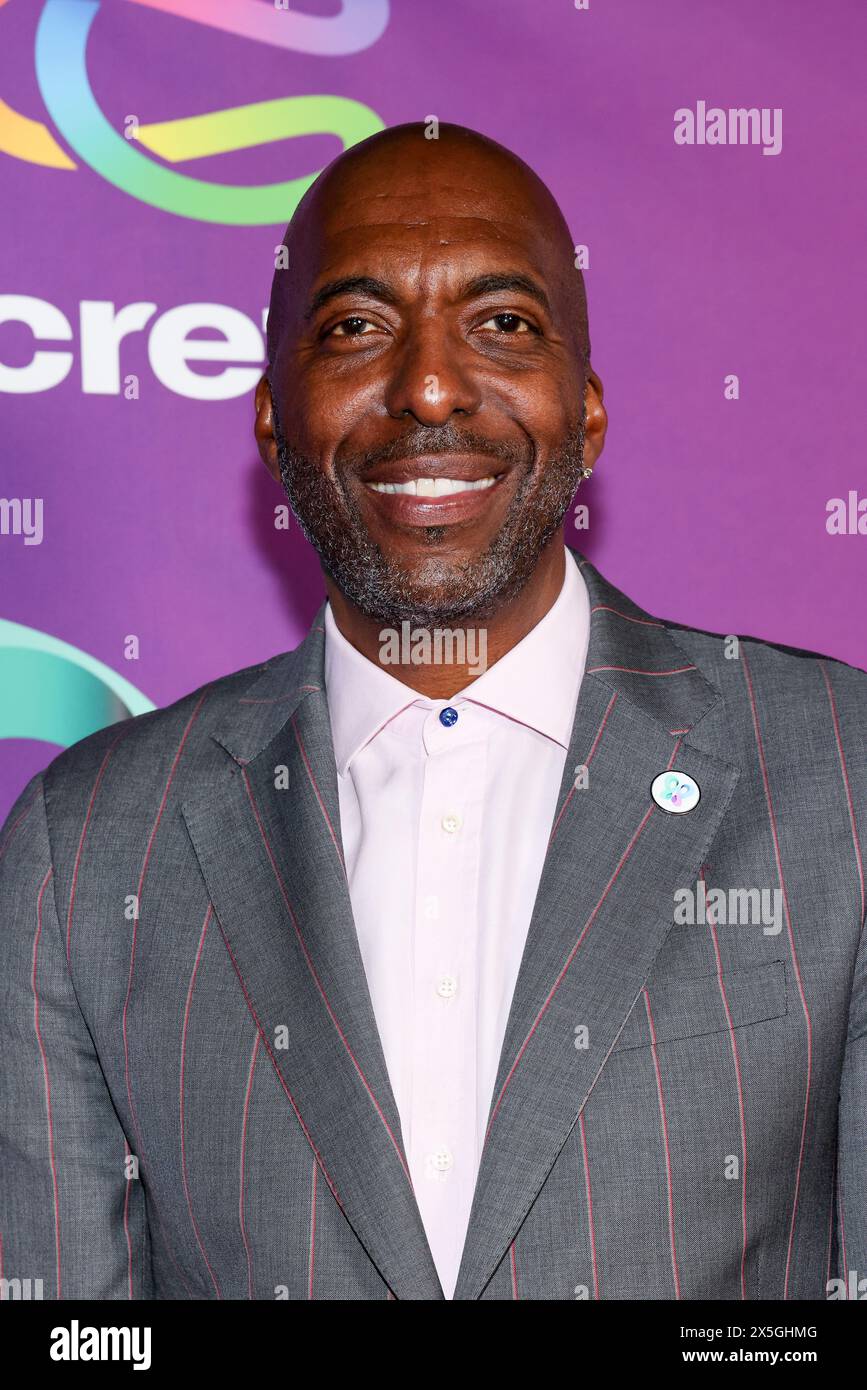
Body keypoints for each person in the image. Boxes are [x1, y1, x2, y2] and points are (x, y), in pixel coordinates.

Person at [0, 123, 864, 1302]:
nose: (430, 388)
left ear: (589, 410)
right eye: (356, 328)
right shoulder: (86, 851)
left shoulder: (841, 776)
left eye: (502, 323)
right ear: (271, 417)